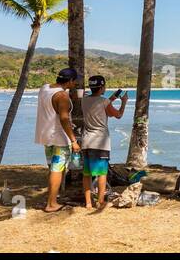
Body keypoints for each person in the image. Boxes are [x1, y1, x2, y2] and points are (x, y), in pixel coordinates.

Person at [35, 68, 80, 213]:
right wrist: (73, 140)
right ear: (70, 81)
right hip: (59, 138)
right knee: (57, 170)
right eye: (75, 81)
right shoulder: (62, 96)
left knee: (53, 169)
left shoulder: (45, 88)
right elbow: (64, 118)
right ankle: (51, 204)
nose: (75, 84)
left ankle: (52, 199)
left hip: (45, 136)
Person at [81, 76, 126, 209]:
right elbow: (117, 115)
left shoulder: (84, 100)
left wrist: (111, 99)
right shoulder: (104, 101)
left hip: (86, 141)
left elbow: (99, 106)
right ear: (101, 87)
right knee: (102, 173)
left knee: (87, 173)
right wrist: (123, 102)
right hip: (100, 142)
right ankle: (100, 201)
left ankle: (88, 202)